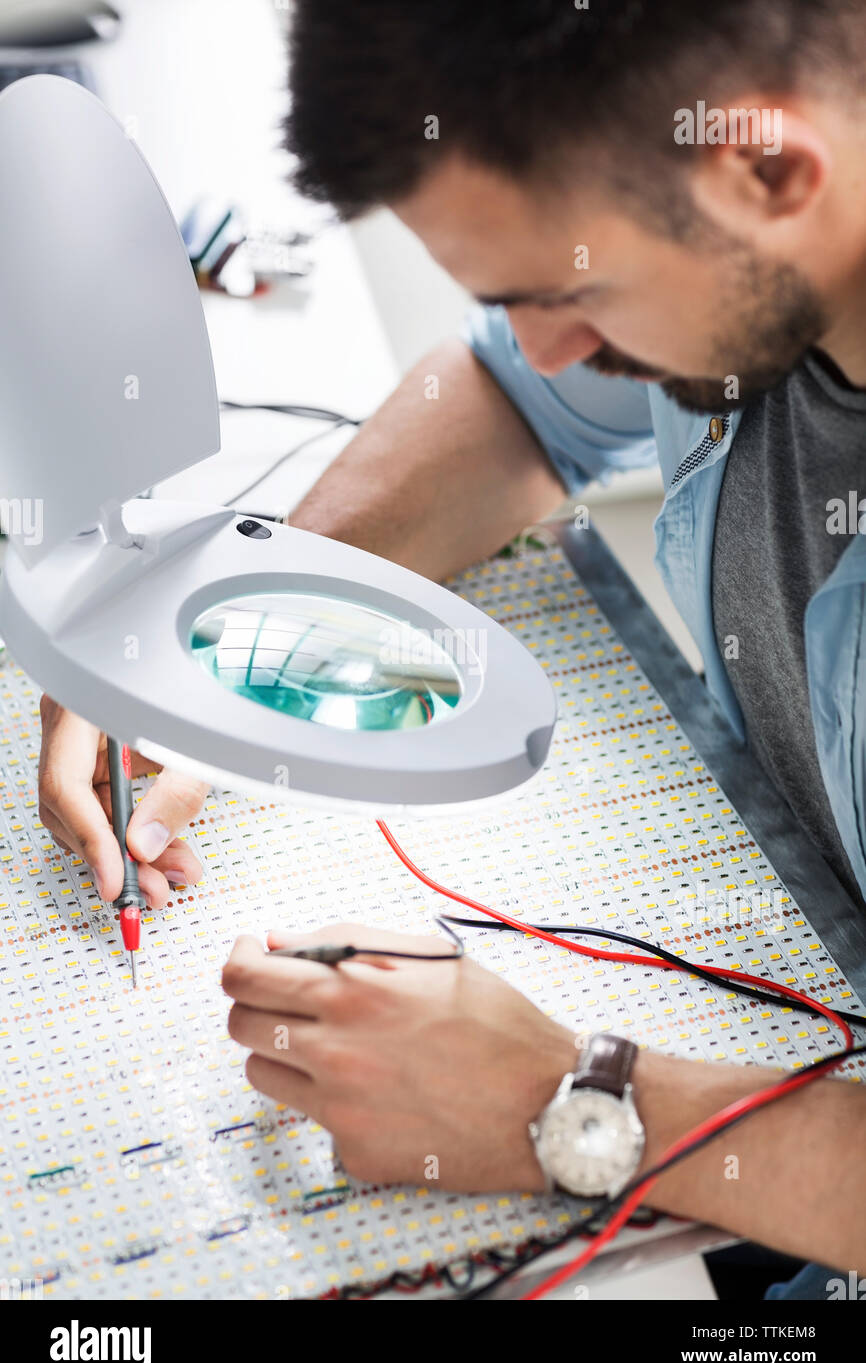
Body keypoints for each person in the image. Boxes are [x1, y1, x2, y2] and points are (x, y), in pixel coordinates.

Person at [38, 1, 866, 1291]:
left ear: (768, 170)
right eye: (506, 290)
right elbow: (511, 397)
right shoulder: (729, 211)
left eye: (572, 292)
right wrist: (221, 634)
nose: (543, 340)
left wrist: (573, 1104)